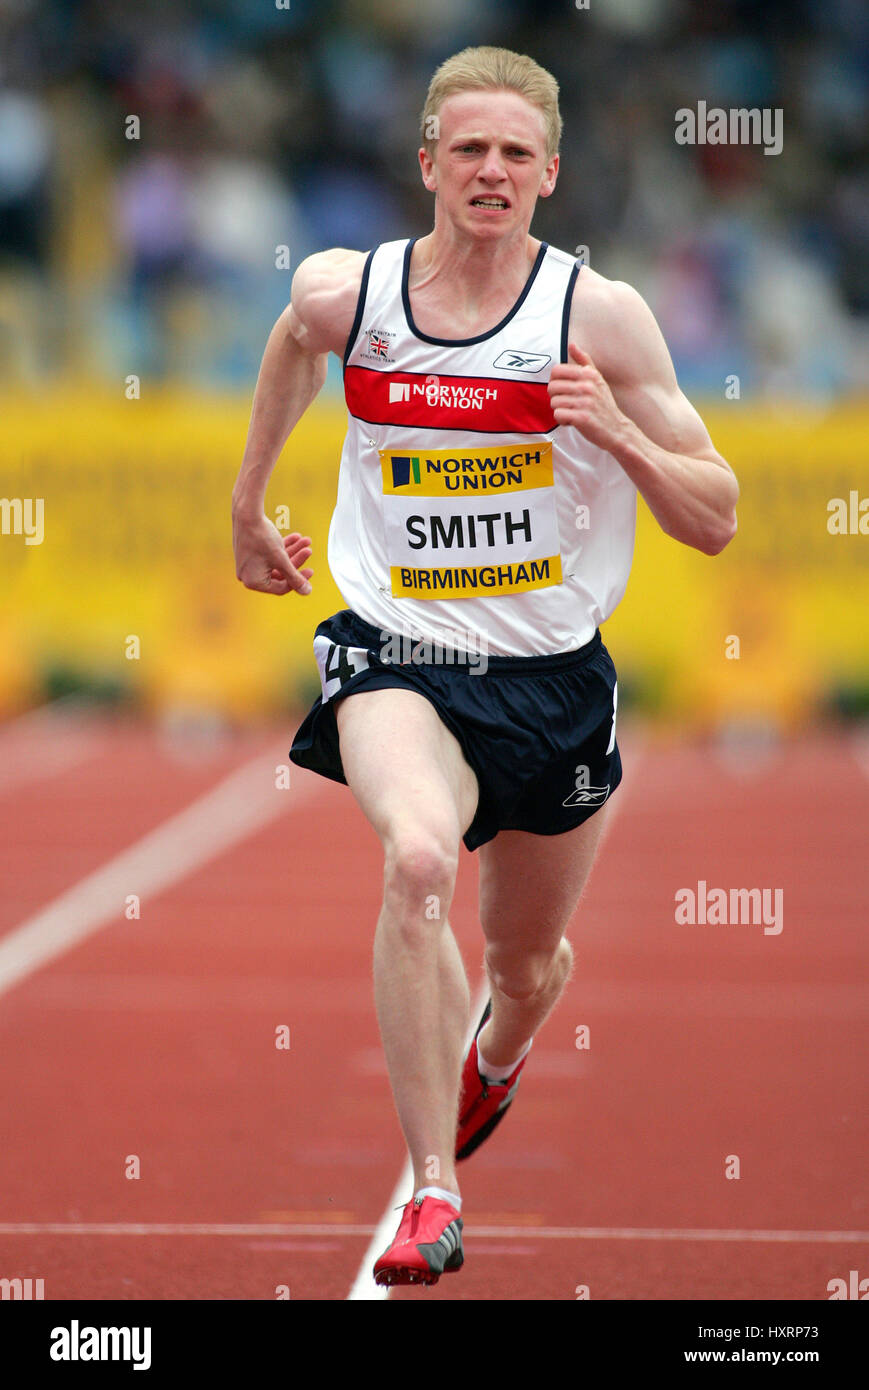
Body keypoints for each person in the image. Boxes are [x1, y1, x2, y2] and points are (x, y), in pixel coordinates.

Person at [231, 46, 738, 1288]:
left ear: (551, 172)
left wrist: (612, 428)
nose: (491, 172)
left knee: (521, 965)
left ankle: (499, 1053)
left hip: (553, 681)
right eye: (469, 149)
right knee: (413, 862)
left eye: (515, 152)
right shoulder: (349, 292)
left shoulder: (595, 316)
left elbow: (715, 513)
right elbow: (299, 342)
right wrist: (249, 503)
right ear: (427, 165)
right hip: (393, 649)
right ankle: (431, 1191)